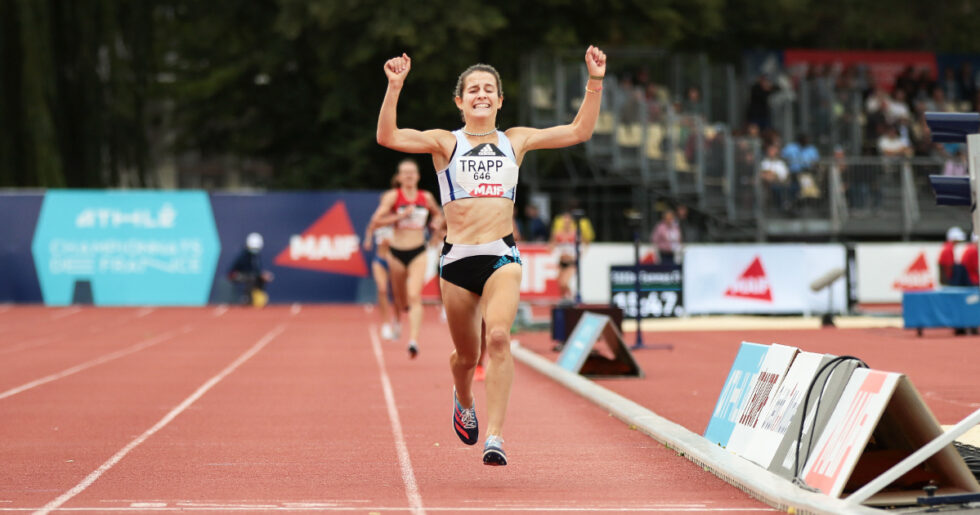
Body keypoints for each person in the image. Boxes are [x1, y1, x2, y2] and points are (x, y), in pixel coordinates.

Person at [376, 45, 607, 465]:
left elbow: (578, 131)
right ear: (460, 101)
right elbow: (388, 137)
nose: (481, 94)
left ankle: (495, 437)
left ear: (500, 100)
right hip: (457, 262)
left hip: (502, 255)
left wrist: (595, 81)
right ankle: (463, 397)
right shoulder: (445, 143)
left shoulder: (514, 140)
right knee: (467, 356)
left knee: (499, 337)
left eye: (489, 89)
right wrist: (394, 88)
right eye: (473, 89)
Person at [365, 158, 442, 359]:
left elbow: (439, 215)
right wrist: (399, 217)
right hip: (396, 253)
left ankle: (413, 341)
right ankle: (397, 320)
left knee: (414, 296)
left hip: (418, 251)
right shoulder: (393, 196)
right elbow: (376, 221)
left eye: (412, 172)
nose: (408, 176)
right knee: (400, 299)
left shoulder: (426, 197)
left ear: (417, 176)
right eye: (404, 172)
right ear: (399, 177)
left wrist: (435, 228)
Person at [363, 175, 401, 340]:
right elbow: (370, 227)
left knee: (398, 294)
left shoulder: (398, 219)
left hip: (395, 258)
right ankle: (385, 323)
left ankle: (397, 321)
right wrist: (368, 239)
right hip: (380, 259)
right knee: (382, 289)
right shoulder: (378, 219)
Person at [550, 207, 595, 302]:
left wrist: (578, 256)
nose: (566, 224)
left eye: (568, 222)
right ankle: (564, 300)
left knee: (564, 283)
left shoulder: (576, 233)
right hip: (562, 261)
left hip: (571, 262)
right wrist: (557, 250)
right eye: (564, 222)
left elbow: (585, 244)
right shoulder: (558, 233)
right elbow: (551, 245)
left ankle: (572, 299)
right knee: (560, 284)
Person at [228, 232, 274, 307]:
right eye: (253, 248)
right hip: (235, 275)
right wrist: (259, 274)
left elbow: (256, 269)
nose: (254, 250)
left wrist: (262, 275)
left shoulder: (256, 256)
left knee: (260, 279)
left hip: (248, 275)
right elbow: (246, 270)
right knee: (251, 278)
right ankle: (246, 299)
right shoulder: (244, 255)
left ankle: (258, 298)